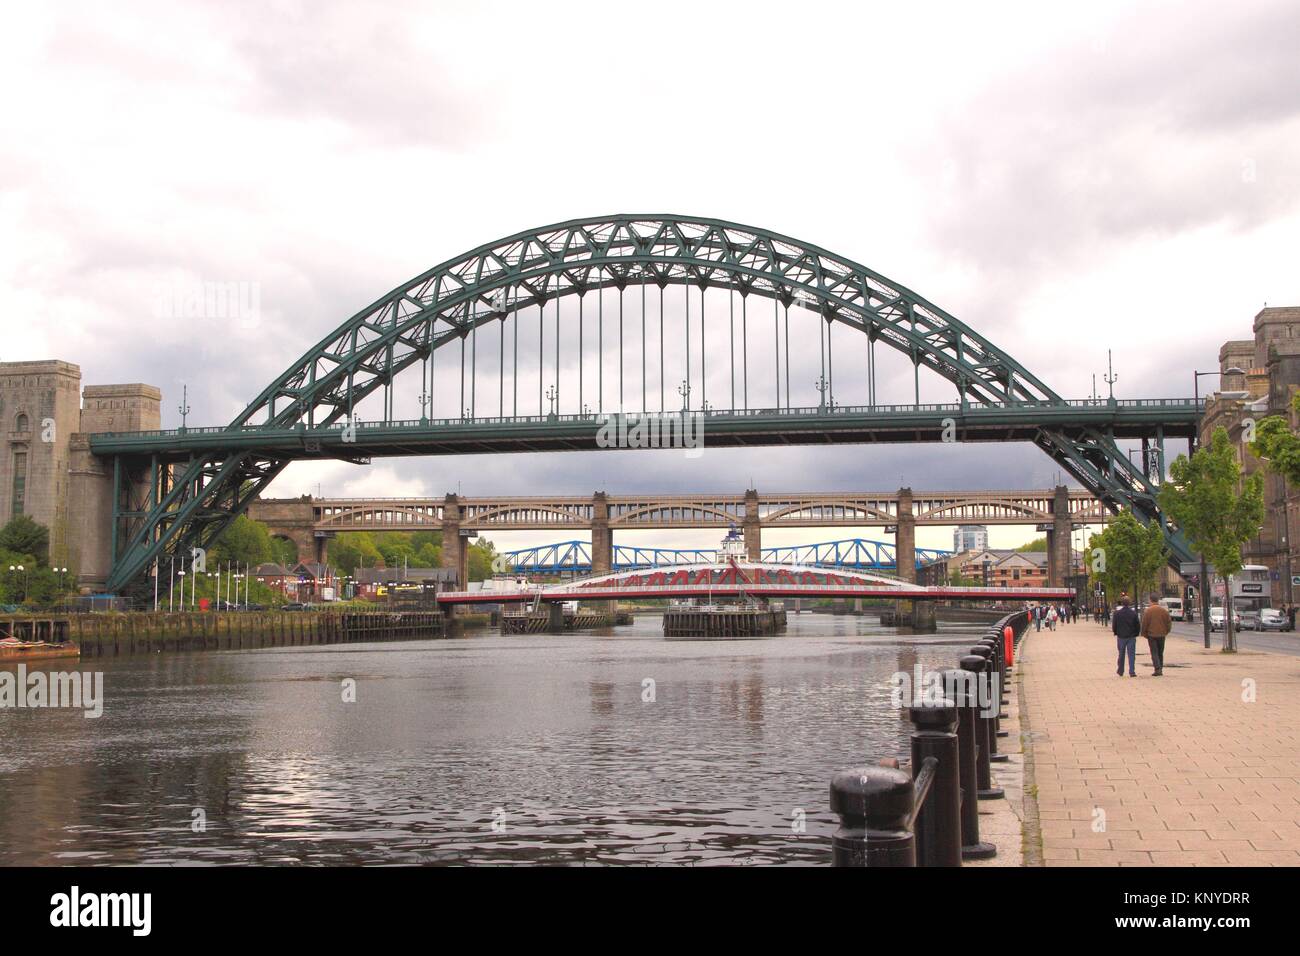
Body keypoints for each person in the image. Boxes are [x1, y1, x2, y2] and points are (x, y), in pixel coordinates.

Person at [1140, 592, 1172, 676]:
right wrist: (1166, 631)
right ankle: (1160, 668)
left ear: (1150, 600)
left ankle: (1157, 668)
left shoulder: (1148, 611)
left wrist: (1144, 633)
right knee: (1160, 652)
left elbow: (1144, 624)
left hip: (1152, 635)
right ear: (1157, 600)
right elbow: (1168, 623)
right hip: (1162, 634)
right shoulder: (1164, 611)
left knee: (1154, 652)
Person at [1112, 594, 1140, 677]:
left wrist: (1116, 632)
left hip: (1121, 636)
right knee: (1131, 654)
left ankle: (1120, 670)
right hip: (1131, 636)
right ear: (1129, 603)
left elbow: (1114, 625)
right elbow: (1137, 625)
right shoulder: (1133, 613)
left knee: (1121, 654)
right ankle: (1132, 671)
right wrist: (1136, 633)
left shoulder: (1117, 613)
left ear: (1122, 603)